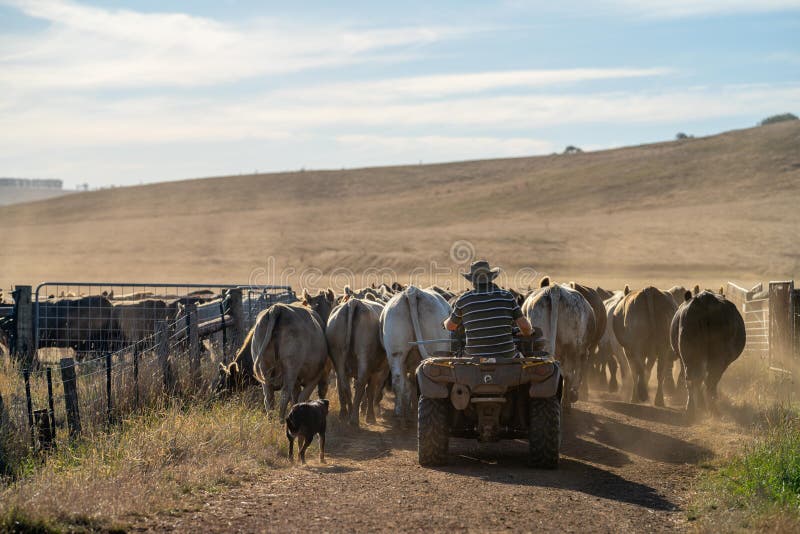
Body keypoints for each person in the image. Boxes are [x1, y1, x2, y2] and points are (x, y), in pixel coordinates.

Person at [443, 260, 533, 358]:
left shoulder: (464, 299)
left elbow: (450, 327)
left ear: (472, 280)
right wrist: (524, 332)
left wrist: (445, 322)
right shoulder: (507, 296)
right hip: (507, 356)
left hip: (474, 357)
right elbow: (526, 328)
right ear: (491, 278)